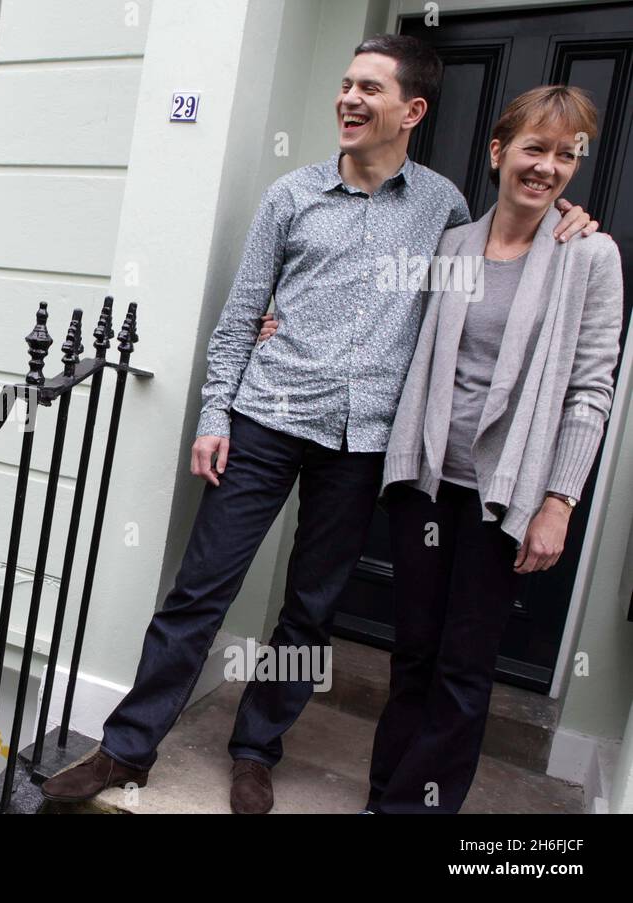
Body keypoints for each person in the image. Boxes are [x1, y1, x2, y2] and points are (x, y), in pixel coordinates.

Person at [39, 34, 596, 813]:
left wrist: (570, 215)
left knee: (310, 610)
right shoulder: (290, 196)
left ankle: (257, 749)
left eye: (371, 88)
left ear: (413, 110)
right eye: (346, 84)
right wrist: (214, 413)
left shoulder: (444, 209)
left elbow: (501, 258)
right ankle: (127, 746)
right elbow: (239, 318)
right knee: (201, 591)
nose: (350, 99)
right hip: (265, 420)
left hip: (366, 442)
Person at [367, 86, 623, 814]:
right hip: (425, 482)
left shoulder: (589, 257)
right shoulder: (453, 244)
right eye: (534, 149)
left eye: (565, 155)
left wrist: (560, 501)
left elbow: (590, 390)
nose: (547, 167)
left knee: (463, 666)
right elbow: (400, 330)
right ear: (498, 152)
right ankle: (384, 794)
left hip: (501, 498)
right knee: (414, 652)